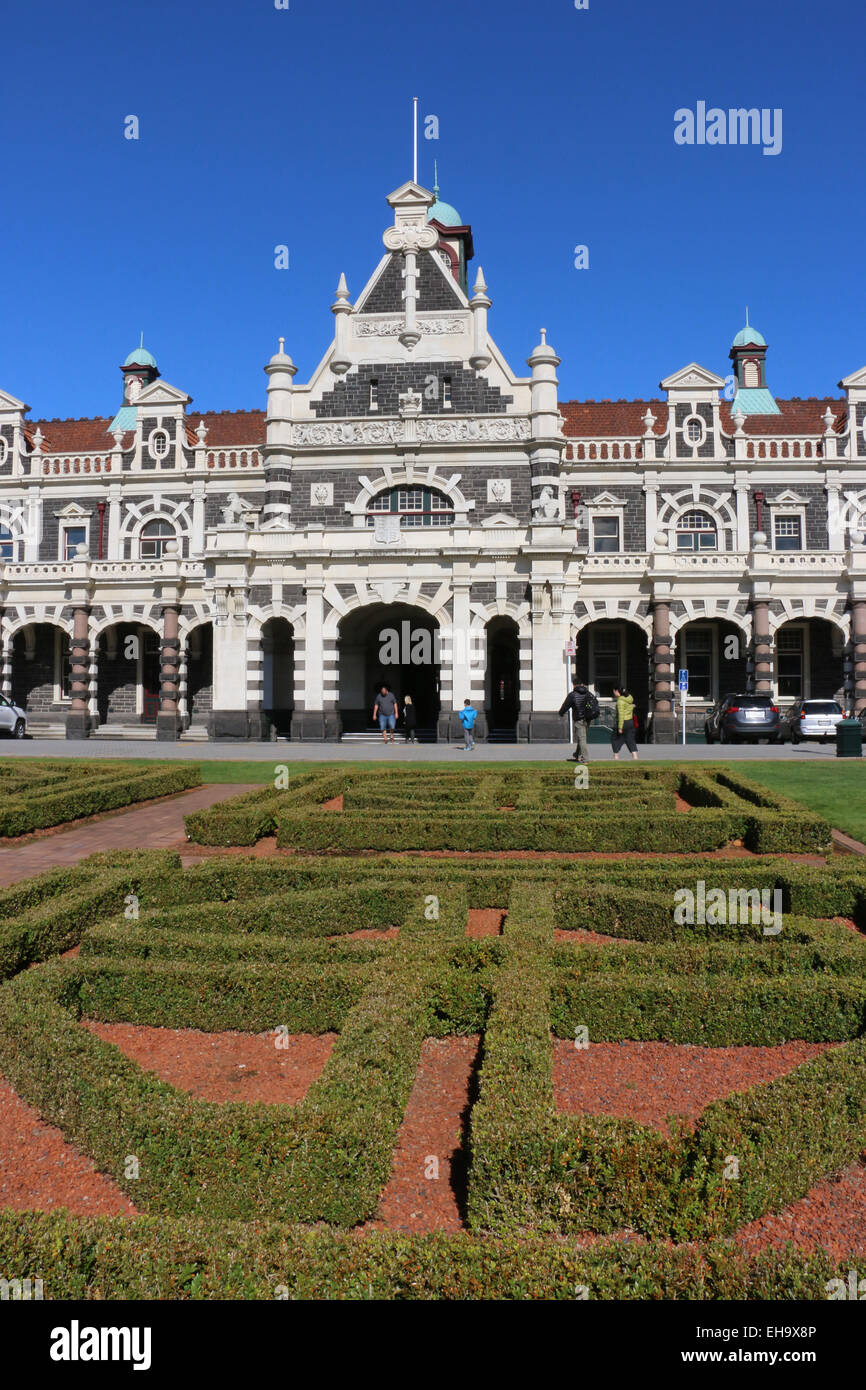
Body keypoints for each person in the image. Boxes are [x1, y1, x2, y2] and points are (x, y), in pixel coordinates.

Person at [559, 678, 593, 762]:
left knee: (582, 738)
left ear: (573, 685)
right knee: (581, 737)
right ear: (582, 684)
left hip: (578, 719)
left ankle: (585, 759)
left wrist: (561, 713)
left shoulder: (572, 695)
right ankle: (577, 755)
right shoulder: (588, 693)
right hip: (588, 718)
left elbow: (565, 706)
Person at [612, 685, 638, 760]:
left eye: (614, 691)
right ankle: (635, 756)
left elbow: (621, 715)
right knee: (630, 739)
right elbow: (631, 707)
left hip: (623, 722)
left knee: (614, 738)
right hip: (630, 722)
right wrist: (632, 707)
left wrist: (620, 727)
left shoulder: (620, 701)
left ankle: (616, 756)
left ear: (617, 691)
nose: (613, 693)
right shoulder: (629, 699)